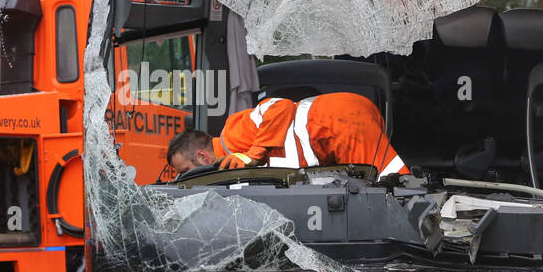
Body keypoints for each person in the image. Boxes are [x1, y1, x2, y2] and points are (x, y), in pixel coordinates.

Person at [167, 92, 406, 177]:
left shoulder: (232, 134)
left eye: (186, 172)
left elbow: (280, 106)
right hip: (339, 124)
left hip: (335, 123)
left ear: (203, 156)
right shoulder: (231, 164)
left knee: (393, 189)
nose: (186, 179)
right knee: (387, 184)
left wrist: (252, 156)